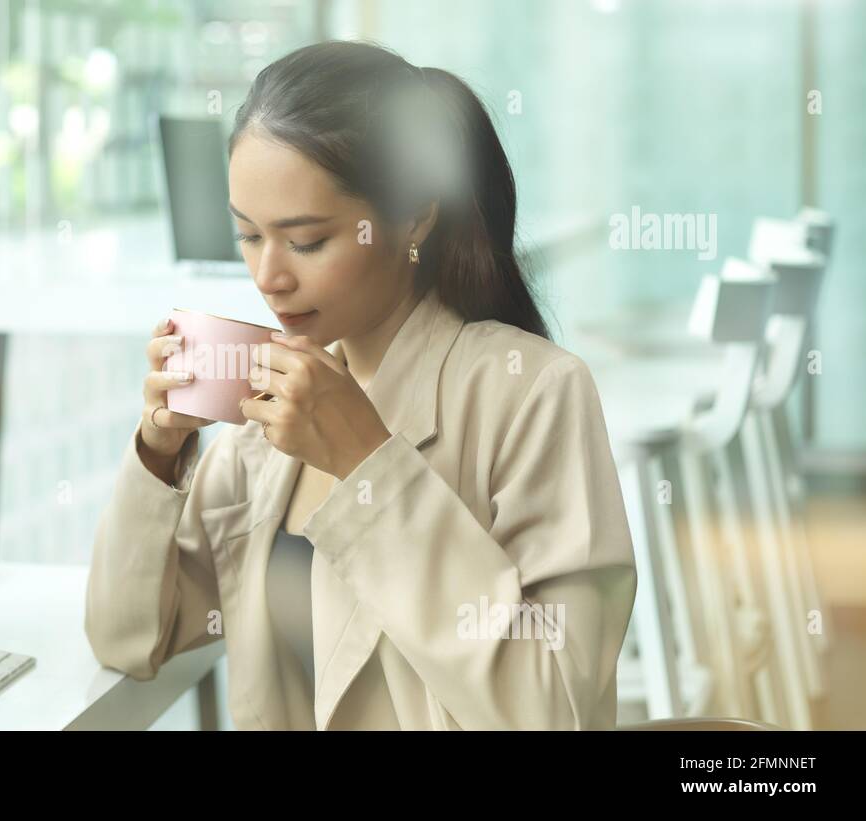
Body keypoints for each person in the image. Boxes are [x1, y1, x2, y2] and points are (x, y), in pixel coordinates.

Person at [85, 40, 636, 730]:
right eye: (248, 236)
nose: (269, 276)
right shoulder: (267, 426)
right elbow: (130, 637)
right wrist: (157, 453)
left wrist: (368, 465)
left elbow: (556, 710)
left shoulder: (533, 394)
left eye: (307, 240)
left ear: (413, 219)